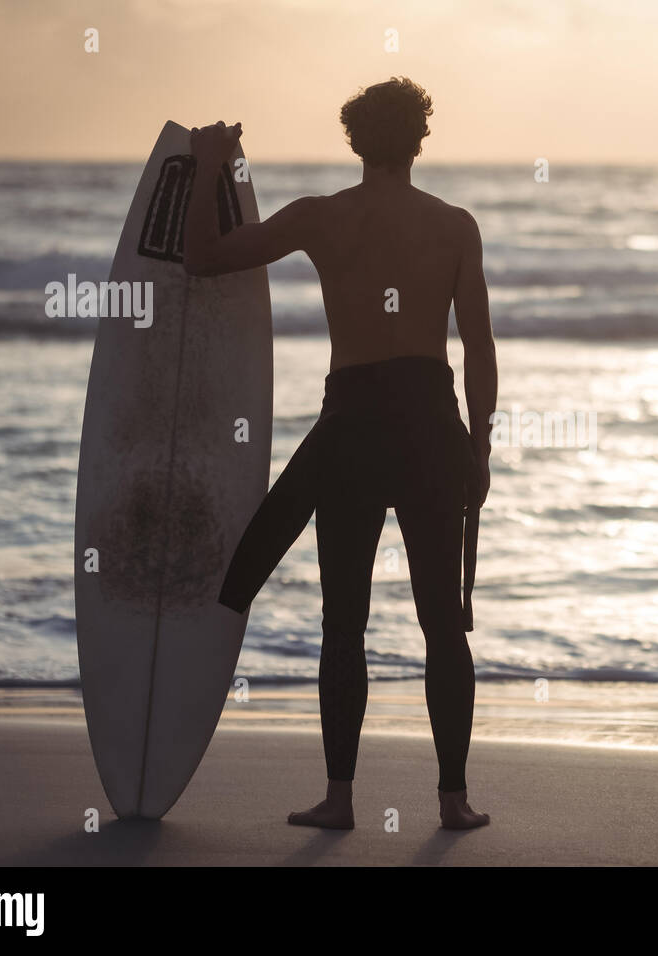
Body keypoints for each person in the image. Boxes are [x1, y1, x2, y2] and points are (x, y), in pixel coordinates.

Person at [183, 77, 496, 830]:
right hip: (428, 425)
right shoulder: (456, 226)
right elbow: (479, 348)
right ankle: (453, 802)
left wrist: (208, 166)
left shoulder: (320, 220)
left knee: (342, 622)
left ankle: (340, 798)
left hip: (352, 427)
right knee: (442, 623)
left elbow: (201, 259)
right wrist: (479, 445)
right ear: (420, 140)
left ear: (354, 141)